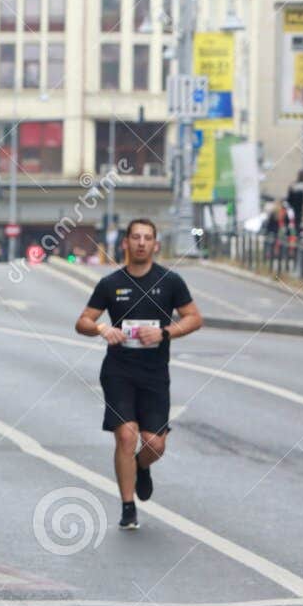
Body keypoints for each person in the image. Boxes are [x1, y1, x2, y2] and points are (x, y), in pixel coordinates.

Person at [74, 218, 204, 531]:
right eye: (136, 237)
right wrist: (104, 328)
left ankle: (141, 467)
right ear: (126, 244)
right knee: (126, 435)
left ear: (155, 245)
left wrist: (165, 333)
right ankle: (128, 506)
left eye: (147, 238)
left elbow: (194, 318)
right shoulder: (110, 284)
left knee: (154, 444)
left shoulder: (171, 282)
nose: (141, 243)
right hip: (118, 370)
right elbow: (83, 322)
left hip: (155, 373)